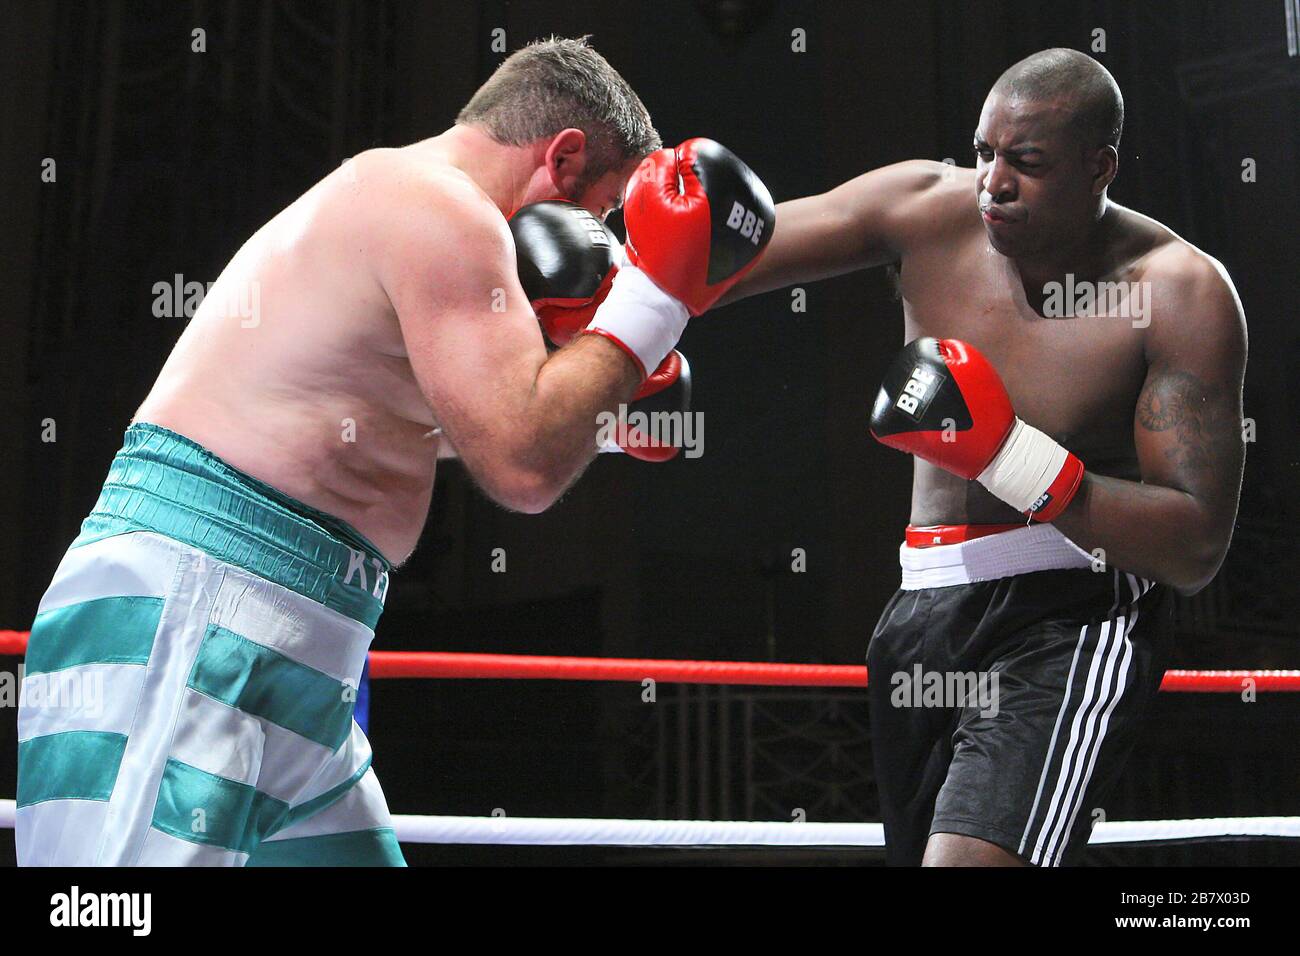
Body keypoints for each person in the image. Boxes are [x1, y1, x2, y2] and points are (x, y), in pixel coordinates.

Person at [16, 36, 774, 866]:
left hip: (303, 657)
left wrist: (607, 415)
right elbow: (522, 466)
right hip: (195, 607)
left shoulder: (413, 231)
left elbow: (463, 430)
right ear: (562, 159)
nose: (602, 252)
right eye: (603, 217)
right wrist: (657, 299)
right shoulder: (436, 205)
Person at [725, 48, 1246, 866]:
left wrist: (1008, 457)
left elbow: (1194, 544)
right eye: (983, 153)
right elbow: (721, 260)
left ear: (1098, 166)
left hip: (1069, 616)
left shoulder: (1177, 289)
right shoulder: (923, 210)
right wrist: (621, 310)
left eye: (1027, 164)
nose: (993, 183)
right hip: (920, 616)